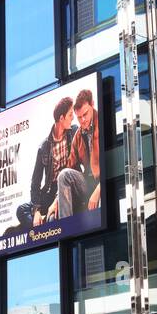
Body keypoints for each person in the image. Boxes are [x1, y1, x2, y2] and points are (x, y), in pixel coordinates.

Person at [16, 96, 75, 230]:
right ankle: (40, 224)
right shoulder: (44, 147)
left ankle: (45, 224)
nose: (73, 118)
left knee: (53, 218)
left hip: (66, 185)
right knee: (21, 210)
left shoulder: (74, 132)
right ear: (61, 118)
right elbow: (35, 182)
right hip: (49, 191)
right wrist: (36, 210)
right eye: (70, 115)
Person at [55, 88, 101, 218]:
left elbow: (114, 163)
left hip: (102, 182)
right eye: (79, 117)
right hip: (87, 183)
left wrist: (98, 190)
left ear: (92, 104)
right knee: (64, 175)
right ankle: (66, 226)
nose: (82, 120)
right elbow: (69, 167)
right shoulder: (79, 135)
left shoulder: (103, 124)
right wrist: (56, 201)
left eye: (85, 114)